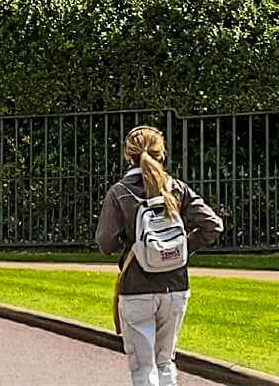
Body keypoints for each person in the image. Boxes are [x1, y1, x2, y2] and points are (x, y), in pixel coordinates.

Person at [95, 124, 224, 386]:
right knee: (165, 361)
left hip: (137, 288)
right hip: (176, 287)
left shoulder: (119, 192)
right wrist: (181, 248)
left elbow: (105, 242)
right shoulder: (176, 188)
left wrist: (134, 247)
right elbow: (213, 225)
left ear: (127, 155)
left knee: (143, 368)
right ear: (161, 153)